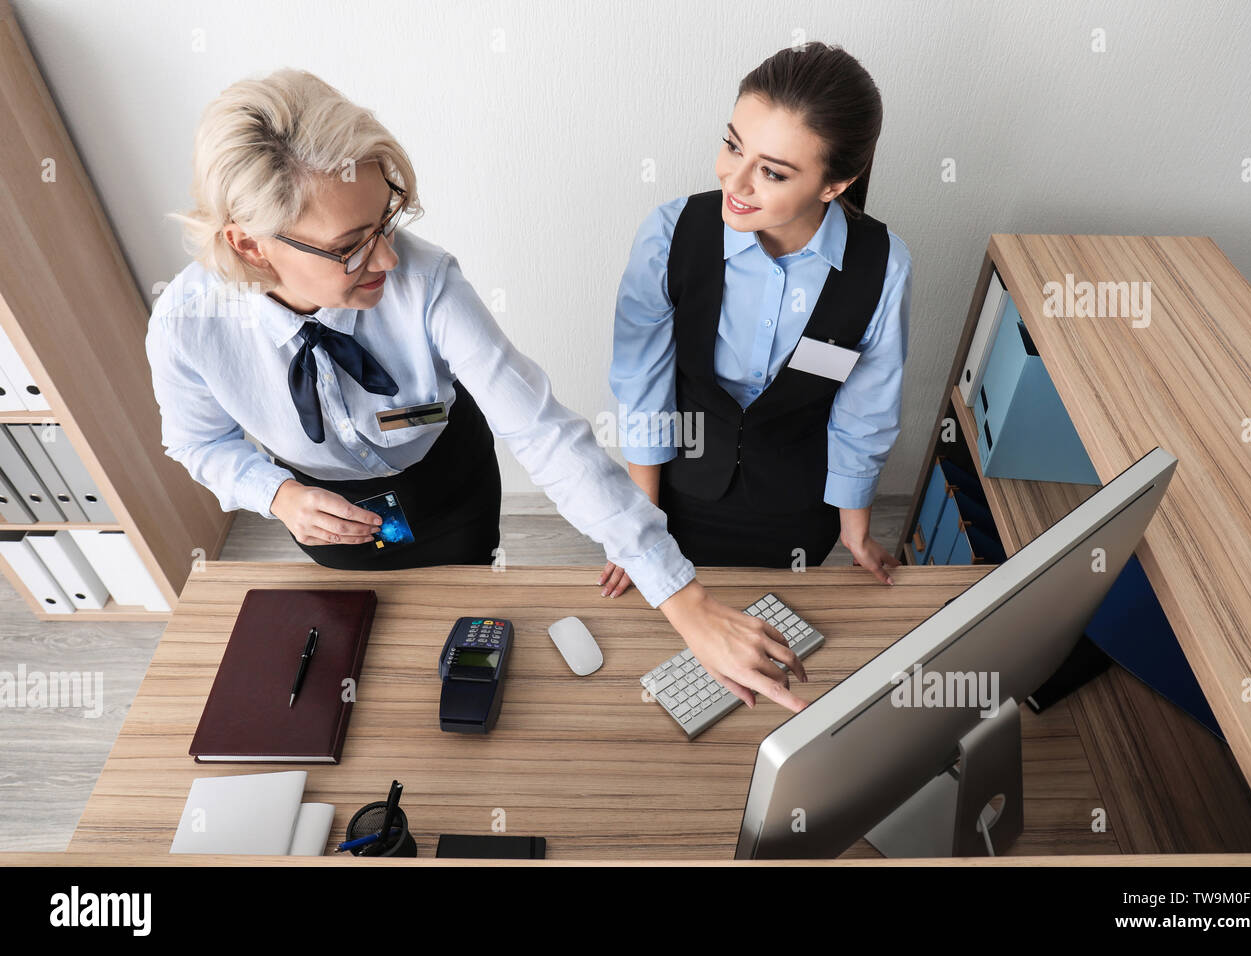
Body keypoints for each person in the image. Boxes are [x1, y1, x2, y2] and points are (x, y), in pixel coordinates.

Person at [145, 68, 808, 711]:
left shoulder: (425, 280)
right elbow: (199, 443)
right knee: (367, 654)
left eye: (386, 221)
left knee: (467, 611)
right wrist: (278, 495)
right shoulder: (185, 325)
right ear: (251, 246)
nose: (386, 260)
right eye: (351, 246)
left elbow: (541, 430)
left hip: (448, 478)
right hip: (322, 509)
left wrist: (683, 599)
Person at [601, 42, 910, 598]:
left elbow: (867, 406)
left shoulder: (883, 268)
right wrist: (641, 522)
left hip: (798, 508)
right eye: (732, 146)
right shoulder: (669, 236)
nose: (734, 182)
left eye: (771, 172)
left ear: (833, 185)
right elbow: (643, 385)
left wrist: (855, 529)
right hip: (680, 489)